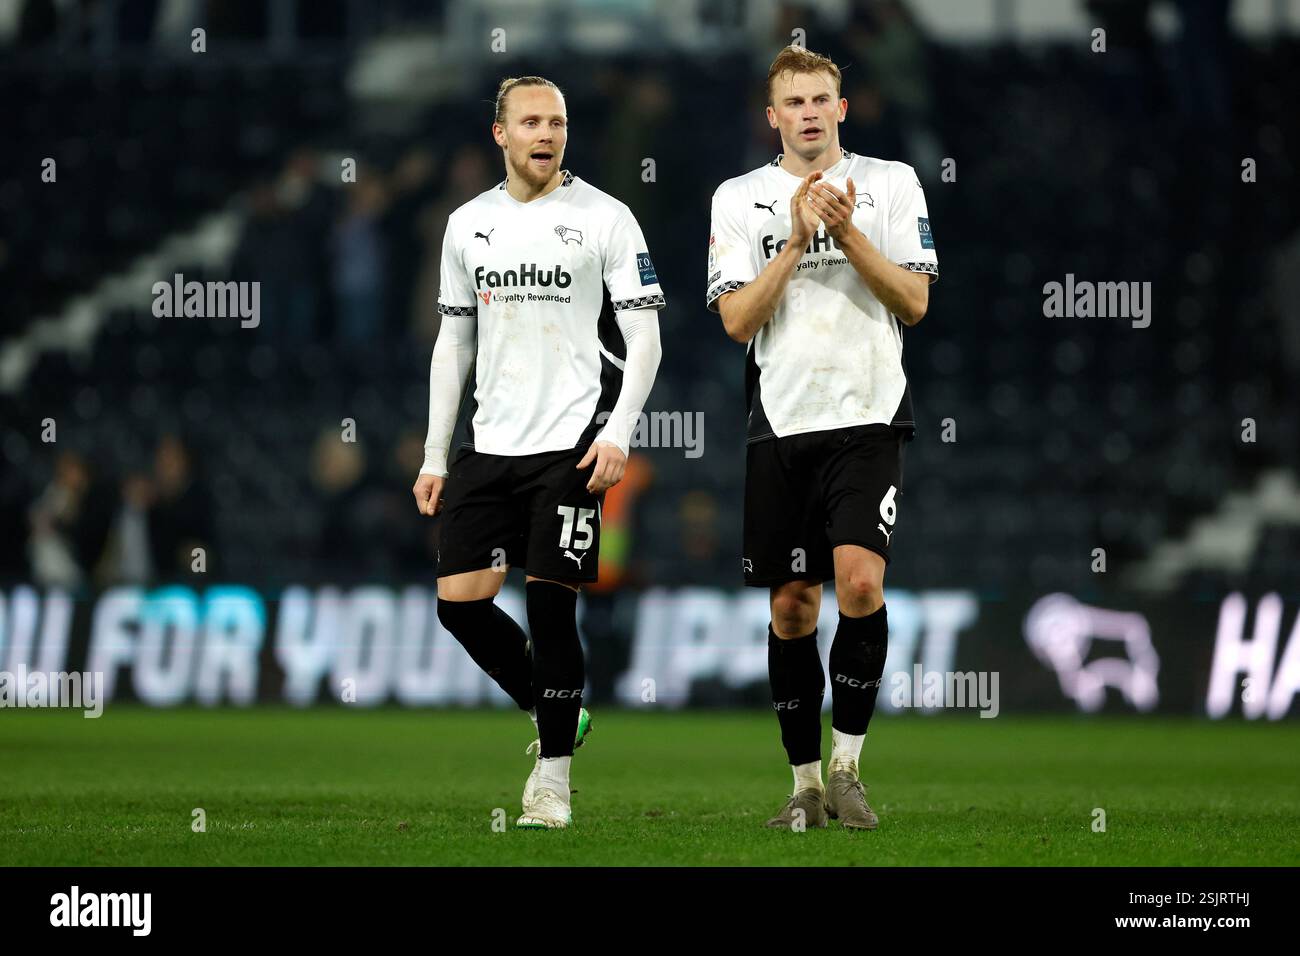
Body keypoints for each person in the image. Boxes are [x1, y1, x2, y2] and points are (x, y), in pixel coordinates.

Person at [412, 76, 664, 829]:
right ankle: (559, 710)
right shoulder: (468, 225)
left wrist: (618, 433)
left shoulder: (606, 219)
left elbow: (646, 335)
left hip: (572, 442)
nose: (546, 133)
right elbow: (454, 342)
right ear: (501, 134)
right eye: (531, 121)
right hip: (489, 445)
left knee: (551, 608)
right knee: (459, 604)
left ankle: (551, 781)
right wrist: (435, 453)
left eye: (556, 121)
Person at [707, 46, 937, 831]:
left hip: (869, 415)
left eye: (821, 99)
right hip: (781, 419)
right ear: (772, 117)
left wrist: (849, 234)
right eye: (793, 102)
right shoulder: (739, 199)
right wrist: (801, 238)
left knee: (860, 586)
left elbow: (914, 302)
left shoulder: (892, 184)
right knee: (793, 608)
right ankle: (803, 785)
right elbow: (737, 320)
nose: (808, 112)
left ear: (843, 108)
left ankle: (847, 770)